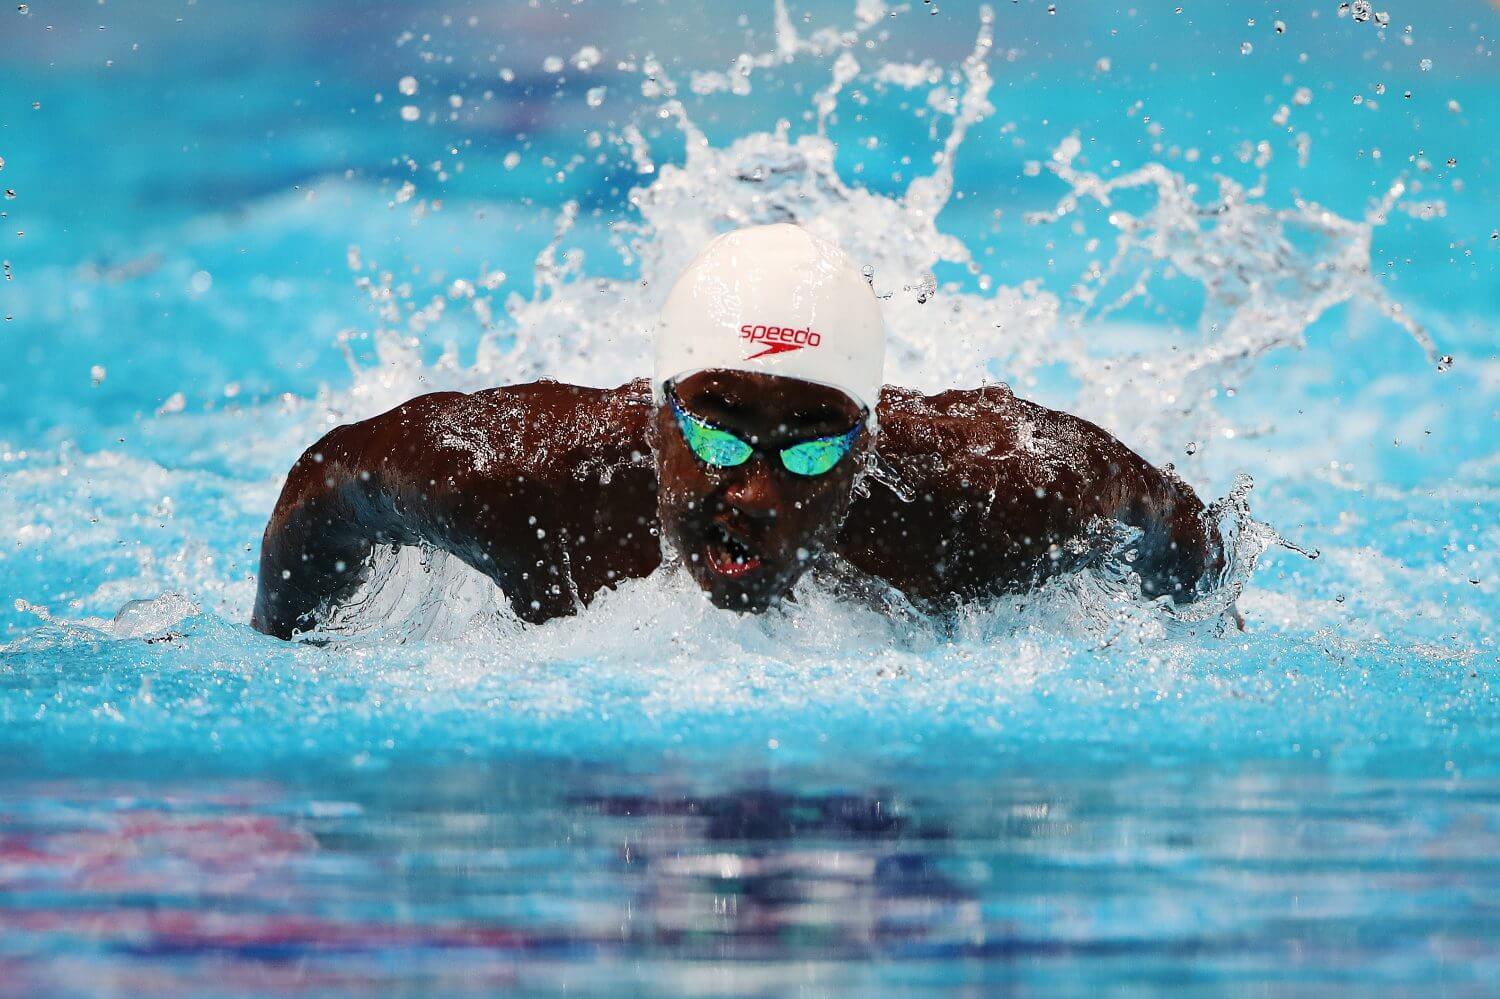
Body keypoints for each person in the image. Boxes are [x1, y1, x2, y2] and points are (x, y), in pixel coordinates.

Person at [252, 224, 1220, 639]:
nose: (758, 495)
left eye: (812, 448)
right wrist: (292, 658)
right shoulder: (516, 482)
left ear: (872, 442)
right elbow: (328, 481)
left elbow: (1171, 517)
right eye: (717, 441)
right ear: (656, 419)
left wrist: (1184, 645)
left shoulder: (995, 498)